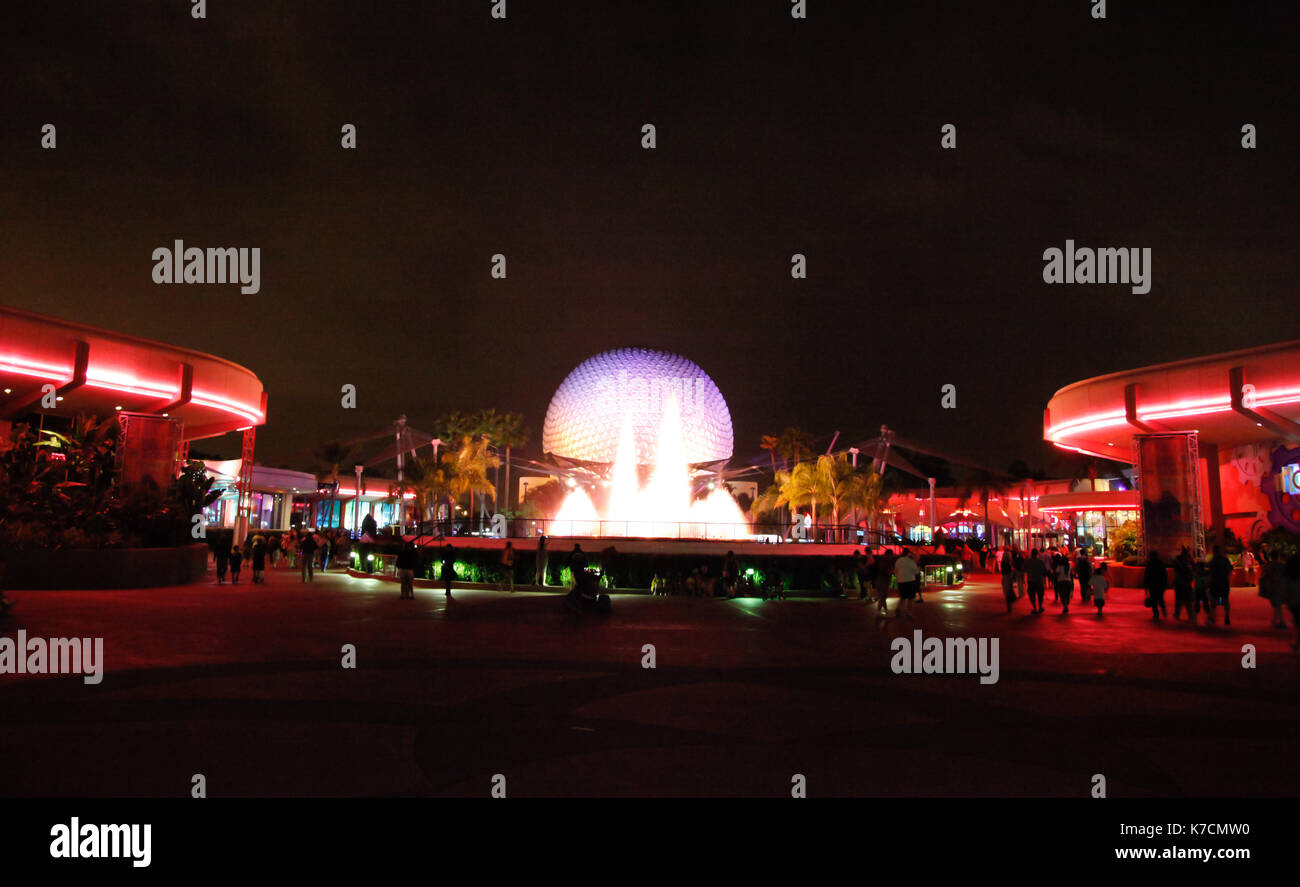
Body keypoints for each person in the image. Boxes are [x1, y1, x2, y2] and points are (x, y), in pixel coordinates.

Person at [1260, 549, 1287, 629]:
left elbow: (1264, 575)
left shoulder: (1269, 565)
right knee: (1277, 604)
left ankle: (1281, 621)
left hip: (1272, 586)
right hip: (1280, 585)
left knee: (1276, 604)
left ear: (1271, 557)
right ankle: (1277, 619)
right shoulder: (1281, 565)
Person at [1209, 545, 1234, 626]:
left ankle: (1213, 617)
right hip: (1224, 582)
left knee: (1213, 601)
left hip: (1215, 582)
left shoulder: (1213, 561)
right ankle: (1227, 616)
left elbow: (1210, 572)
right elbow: (1230, 570)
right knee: (1225, 600)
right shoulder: (1225, 559)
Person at [893, 548, 920, 619]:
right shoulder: (911, 562)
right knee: (910, 598)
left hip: (901, 582)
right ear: (909, 554)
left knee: (902, 597)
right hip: (910, 581)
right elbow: (916, 572)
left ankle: (898, 609)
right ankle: (909, 613)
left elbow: (895, 571)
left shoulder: (898, 561)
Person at [1143, 550, 1168, 620]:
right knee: (1160, 598)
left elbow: (1146, 575)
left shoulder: (1149, 564)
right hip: (1159, 584)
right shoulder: (1160, 563)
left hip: (1153, 584)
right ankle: (1163, 610)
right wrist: (1165, 583)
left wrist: (1145, 585)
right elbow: (1164, 574)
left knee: (1154, 600)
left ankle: (1156, 614)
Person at [1283, 553, 1300, 651]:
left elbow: (1286, 591)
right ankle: (1296, 644)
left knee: (1297, 624)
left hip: (1295, 603)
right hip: (1295, 603)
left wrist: (1287, 602)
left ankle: (1296, 644)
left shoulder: (1289, 578)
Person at [1173, 547, 1194, 620]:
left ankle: (1177, 614)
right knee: (1188, 601)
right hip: (1185, 583)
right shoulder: (1189, 560)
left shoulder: (1179, 560)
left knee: (1180, 600)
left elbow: (1176, 570)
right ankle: (1190, 615)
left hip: (1181, 583)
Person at [1024, 548, 1048, 614]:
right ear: (1037, 554)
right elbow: (1044, 571)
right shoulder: (1040, 562)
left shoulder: (1028, 561)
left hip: (1031, 580)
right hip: (1039, 580)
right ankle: (1040, 607)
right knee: (1040, 595)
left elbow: (1024, 569)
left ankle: (1034, 608)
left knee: (1032, 595)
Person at [999, 544, 1016, 612]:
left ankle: (1009, 606)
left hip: (1005, 576)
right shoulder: (1008, 564)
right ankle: (1009, 606)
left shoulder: (1003, 563)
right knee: (1008, 590)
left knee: (1007, 591)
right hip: (1007, 576)